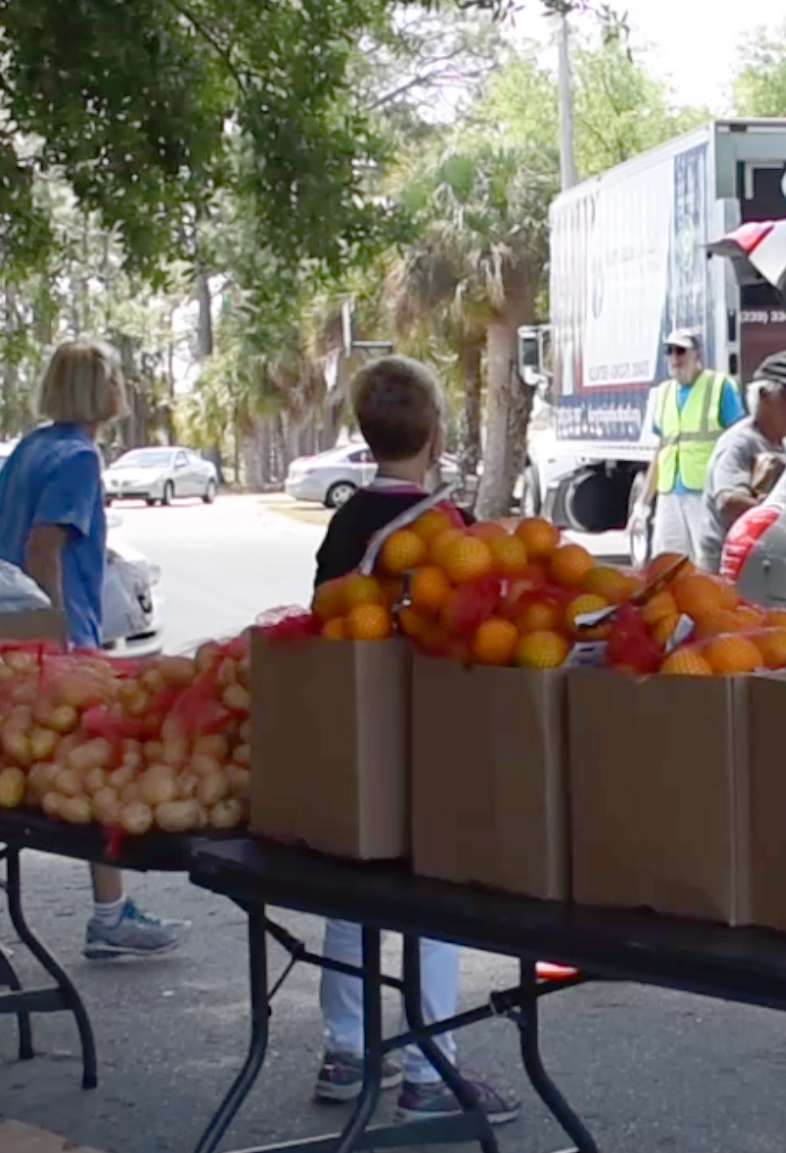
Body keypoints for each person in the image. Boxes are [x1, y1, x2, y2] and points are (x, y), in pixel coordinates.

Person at [0, 341, 187, 964]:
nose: (123, 387)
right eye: (115, 377)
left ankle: (85, 912)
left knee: (31, 771)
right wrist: (59, 633)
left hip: (13, 630)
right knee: (86, 769)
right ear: (99, 389)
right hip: (57, 642)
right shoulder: (79, 458)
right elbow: (43, 546)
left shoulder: (31, 448)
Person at [308, 355, 521, 1127]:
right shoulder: (443, 527)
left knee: (348, 897)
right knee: (432, 904)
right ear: (435, 435)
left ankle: (346, 1049)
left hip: (350, 738)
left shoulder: (345, 523)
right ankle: (429, 1072)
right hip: (426, 742)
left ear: (366, 437)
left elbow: (324, 617)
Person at [703, 351, 786, 569]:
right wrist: (783, 515)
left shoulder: (775, 441)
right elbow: (728, 503)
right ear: (764, 395)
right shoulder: (740, 442)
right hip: (723, 571)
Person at [642, 329, 743, 569]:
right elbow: (661, 449)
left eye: (681, 351)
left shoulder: (720, 387)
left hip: (705, 494)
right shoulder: (663, 393)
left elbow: (738, 441)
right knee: (667, 567)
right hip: (669, 495)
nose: (674, 358)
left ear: (697, 354)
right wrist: (642, 502)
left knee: (708, 567)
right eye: (669, 351)